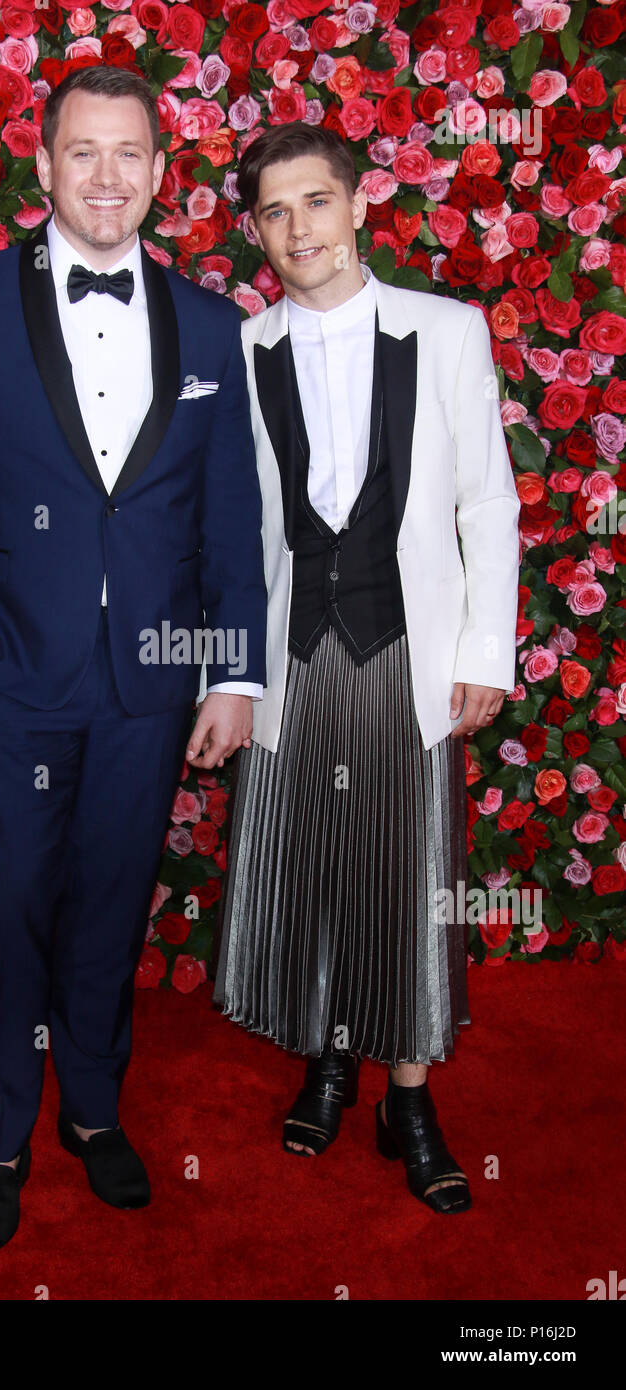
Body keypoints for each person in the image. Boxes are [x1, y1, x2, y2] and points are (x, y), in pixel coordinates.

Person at [0, 65, 267, 1251]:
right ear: (43, 166)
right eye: (83, 152)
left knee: (108, 910)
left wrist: (233, 672)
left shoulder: (211, 326)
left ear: (160, 171)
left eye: (130, 153)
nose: (107, 176)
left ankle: (92, 1115)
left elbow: (227, 522)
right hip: (4, 680)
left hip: (148, 691)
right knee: (7, 912)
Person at [213, 123, 520, 1214]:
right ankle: (324, 1061)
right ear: (256, 230)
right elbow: (233, 529)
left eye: (313, 202)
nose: (296, 227)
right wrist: (233, 672)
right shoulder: (242, 351)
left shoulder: (444, 331)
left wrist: (485, 648)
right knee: (307, 862)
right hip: (297, 651)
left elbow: (484, 498)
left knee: (404, 868)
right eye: (273, 211)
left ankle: (408, 1095)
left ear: (356, 207)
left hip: (410, 651)